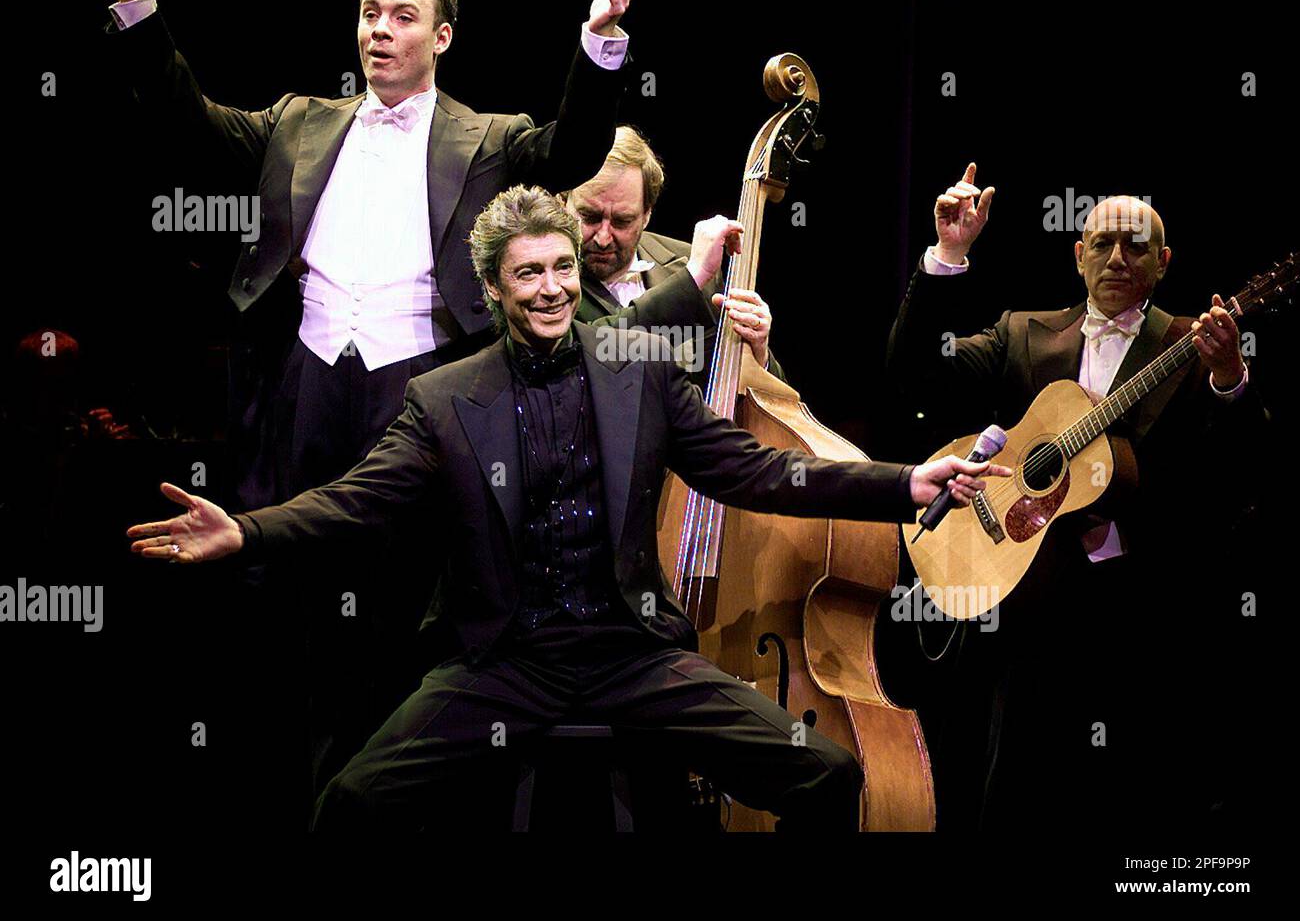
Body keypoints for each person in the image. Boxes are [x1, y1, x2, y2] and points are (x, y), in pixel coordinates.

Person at [128, 184, 1005, 831]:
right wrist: (244, 530)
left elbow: (755, 472)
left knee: (823, 775)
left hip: (630, 652)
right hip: (503, 660)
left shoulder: (640, 366)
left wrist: (902, 483)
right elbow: (357, 503)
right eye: (527, 275)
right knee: (352, 804)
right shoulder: (445, 400)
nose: (549, 289)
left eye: (559, 268)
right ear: (495, 290)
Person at [82, 0, 646, 812]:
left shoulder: (488, 137)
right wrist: (141, 9)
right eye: (369, 13)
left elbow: (568, 153)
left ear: (441, 37)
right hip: (300, 383)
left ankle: (392, 802)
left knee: (401, 612)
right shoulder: (300, 121)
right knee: (283, 600)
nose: (379, 29)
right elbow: (189, 130)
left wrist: (601, 39)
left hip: (417, 387)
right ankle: (298, 799)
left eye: (401, 16)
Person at [886, 163, 1270, 832]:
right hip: (1025, 609)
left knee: (1130, 805)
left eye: (1137, 246)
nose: (1118, 257)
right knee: (1010, 800)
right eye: (1102, 244)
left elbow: (1244, 475)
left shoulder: (1192, 344)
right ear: (1077, 254)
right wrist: (949, 255)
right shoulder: (1022, 332)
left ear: (1165, 261)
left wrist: (1229, 377)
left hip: (1143, 621)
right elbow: (912, 375)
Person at [565, 126, 785, 380]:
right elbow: (589, 354)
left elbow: (763, 397)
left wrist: (758, 353)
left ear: (647, 214)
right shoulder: (546, 280)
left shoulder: (689, 262)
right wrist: (690, 279)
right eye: (590, 217)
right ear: (563, 201)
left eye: (622, 221)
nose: (603, 238)